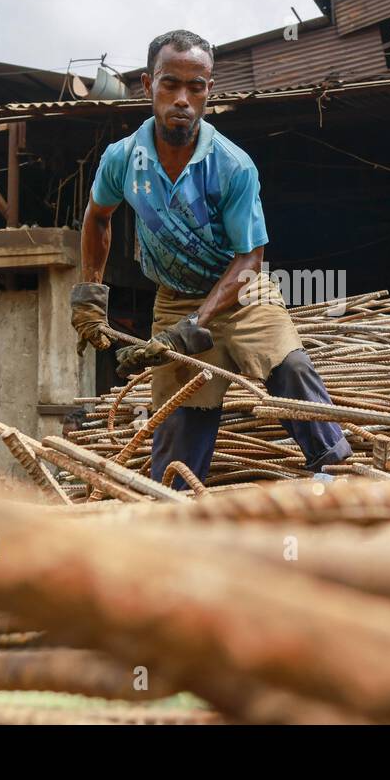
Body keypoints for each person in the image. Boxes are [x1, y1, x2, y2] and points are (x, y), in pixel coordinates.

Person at [70, 29, 351, 489]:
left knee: (292, 368)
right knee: (182, 409)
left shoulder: (231, 165)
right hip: (175, 299)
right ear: (148, 86)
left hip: (241, 292)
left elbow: (249, 258)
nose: (182, 98)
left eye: (195, 87)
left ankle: (335, 470)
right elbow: (98, 218)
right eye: (170, 84)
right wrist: (90, 293)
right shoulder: (122, 159)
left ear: (208, 92)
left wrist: (197, 323)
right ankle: (176, 501)